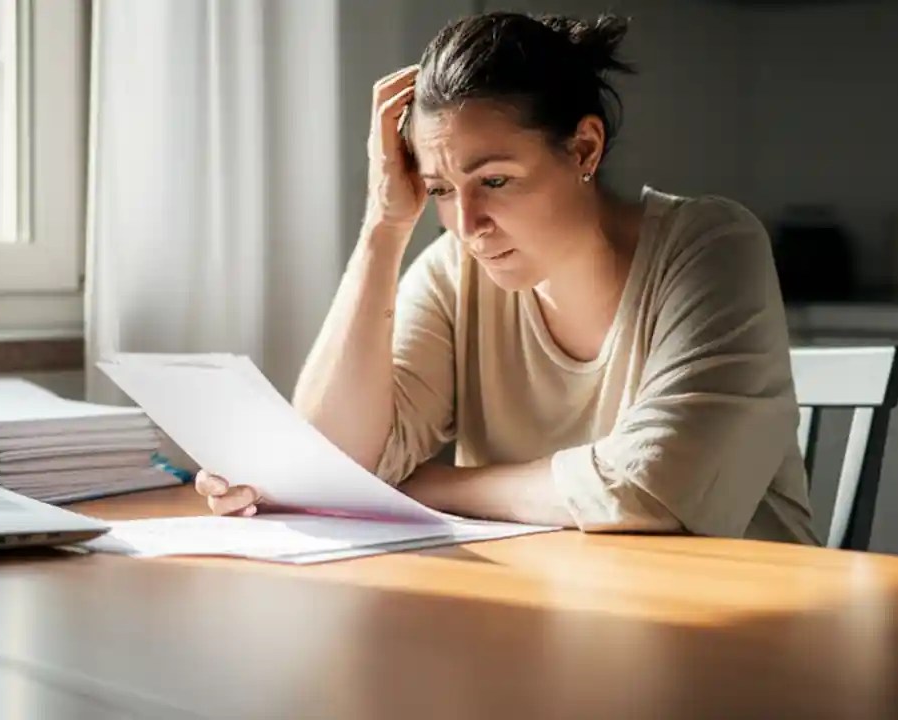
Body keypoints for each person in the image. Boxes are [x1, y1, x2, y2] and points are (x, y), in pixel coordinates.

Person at [195, 11, 817, 544]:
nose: (467, 224)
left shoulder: (711, 245)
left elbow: (653, 489)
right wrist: (384, 225)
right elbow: (333, 461)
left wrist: (431, 486)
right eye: (441, 189)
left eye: (493, 180)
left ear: (583, 150)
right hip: (568, 614)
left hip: (748, 629)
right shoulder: (452, 275)